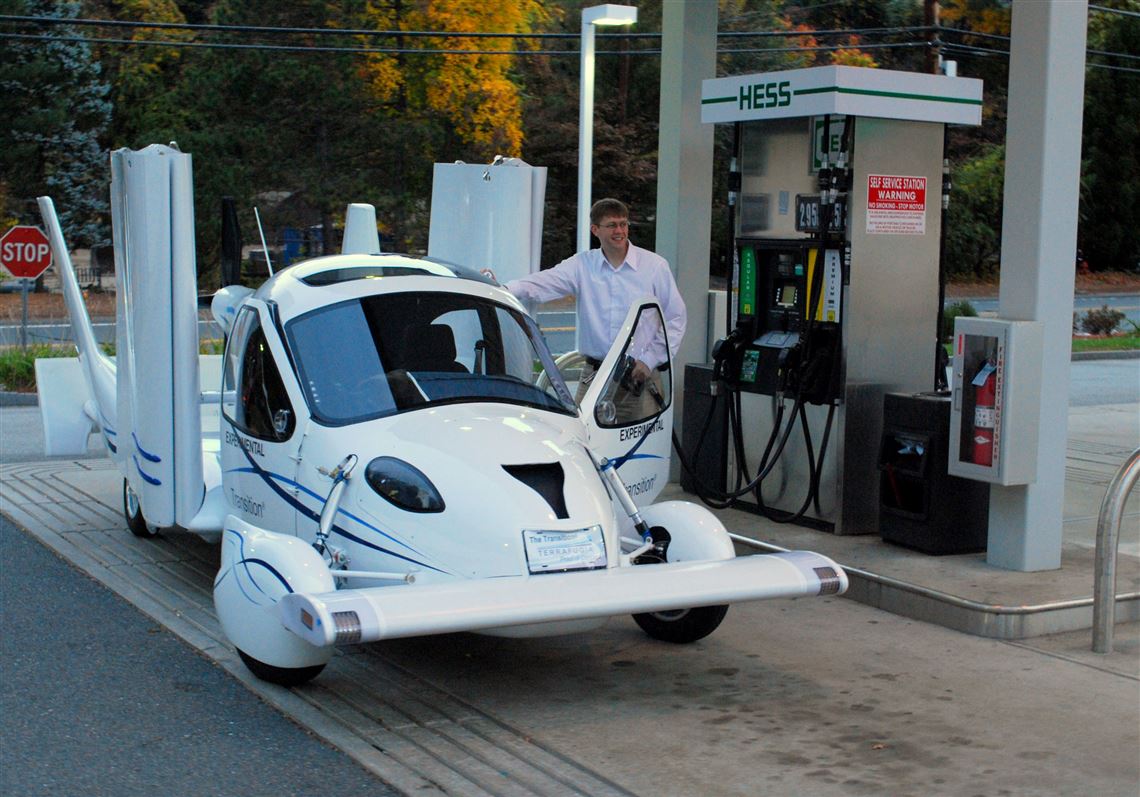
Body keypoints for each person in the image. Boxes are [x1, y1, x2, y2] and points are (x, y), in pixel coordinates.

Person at [503, 198, 686, 420]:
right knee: (581, 434)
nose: (619, 231)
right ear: (595, 229)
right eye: (612, 225)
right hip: (595, 375)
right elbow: (543, 282)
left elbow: (675, 318)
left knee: (643, 440)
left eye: (623, 224)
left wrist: (649, 359)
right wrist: (502, 288)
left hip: (638, 377)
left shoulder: (654, 266)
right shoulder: (583, 265)